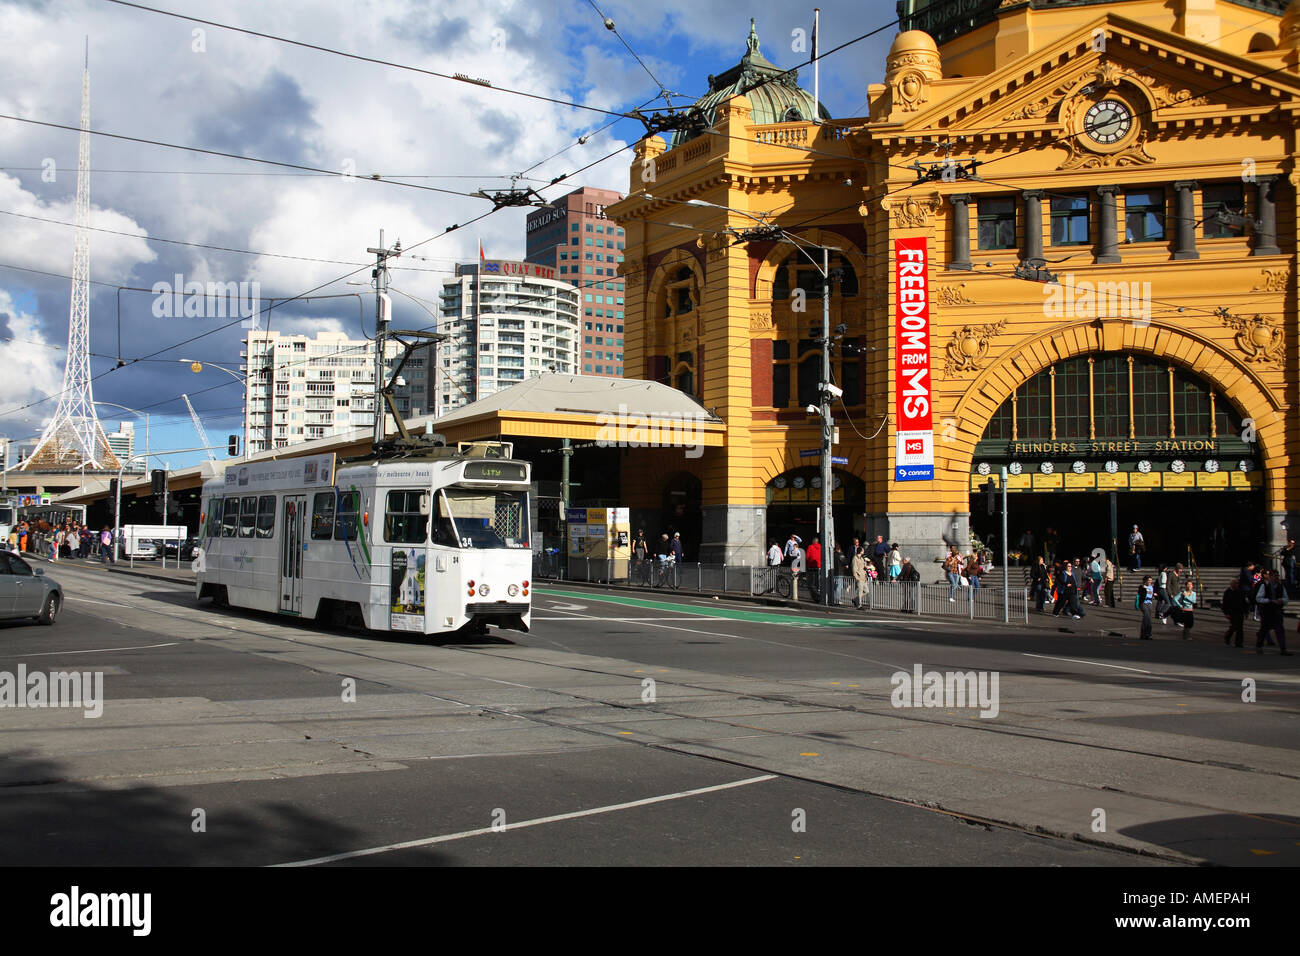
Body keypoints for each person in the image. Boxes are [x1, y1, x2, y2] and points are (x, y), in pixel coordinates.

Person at [1255, 569, 1291, 655]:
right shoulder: (1265, 585)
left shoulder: (1281, 586)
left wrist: (1281, 600)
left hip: (1277, 611)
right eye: (1275, 576)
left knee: (1280, 629)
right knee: (1264, 629)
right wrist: (1270, 601)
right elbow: (1259, 598)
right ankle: (1259, 646)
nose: (1277, 578)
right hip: (1267, 611)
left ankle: (1283, 649)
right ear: (1270, 577)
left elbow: (1286, 598)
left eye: (1277, 576)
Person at [1221, 577, 1246, 647]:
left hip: (1240, 611)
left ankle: (1239, 642)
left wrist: (1245, 611)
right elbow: (1224, 603)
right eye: (1235, 583)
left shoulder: (1240, 591)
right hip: (1232, 612)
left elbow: (1244, 602)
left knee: (1240, 627)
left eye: (1237, 583)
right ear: (1232, 584)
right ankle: (1227, 636)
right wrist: (1226, 613)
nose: (1237, 585)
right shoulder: (1227, 592)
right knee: (1234, 626)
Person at [1136, 575, 1155, 640]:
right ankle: (1147, 634)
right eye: (1148, 580)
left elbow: (1152, 594)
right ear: (1145, 581)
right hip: (1143, 603)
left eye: (1151, 581)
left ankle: (1145, 634)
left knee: (1147, 619)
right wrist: (1145, 589)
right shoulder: (1141, 587)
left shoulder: (1151, 587)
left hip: (1149, 603)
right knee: (1147, 617)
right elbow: (1141, 594)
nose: (1150, 582)